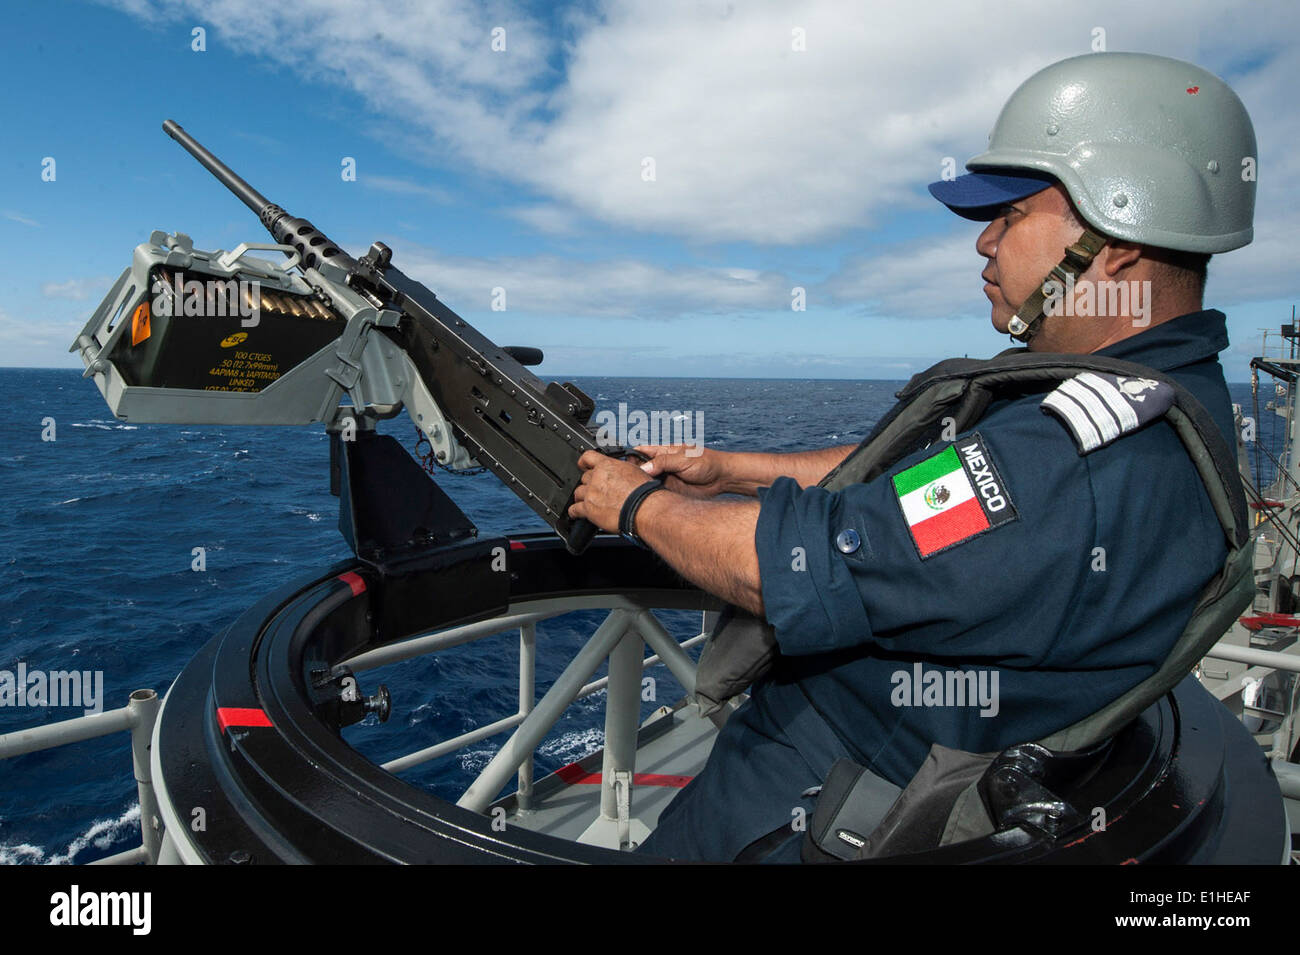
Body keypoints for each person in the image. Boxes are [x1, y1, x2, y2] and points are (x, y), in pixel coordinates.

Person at [567, 51, 1257, 862]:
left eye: (1012, 215)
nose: (985, 244)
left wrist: (633, 504)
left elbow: (782, 563)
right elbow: (919, 487)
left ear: (1114, 240)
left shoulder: (1076, 457)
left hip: (825, 790)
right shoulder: (1160, 397)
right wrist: (732, 469)